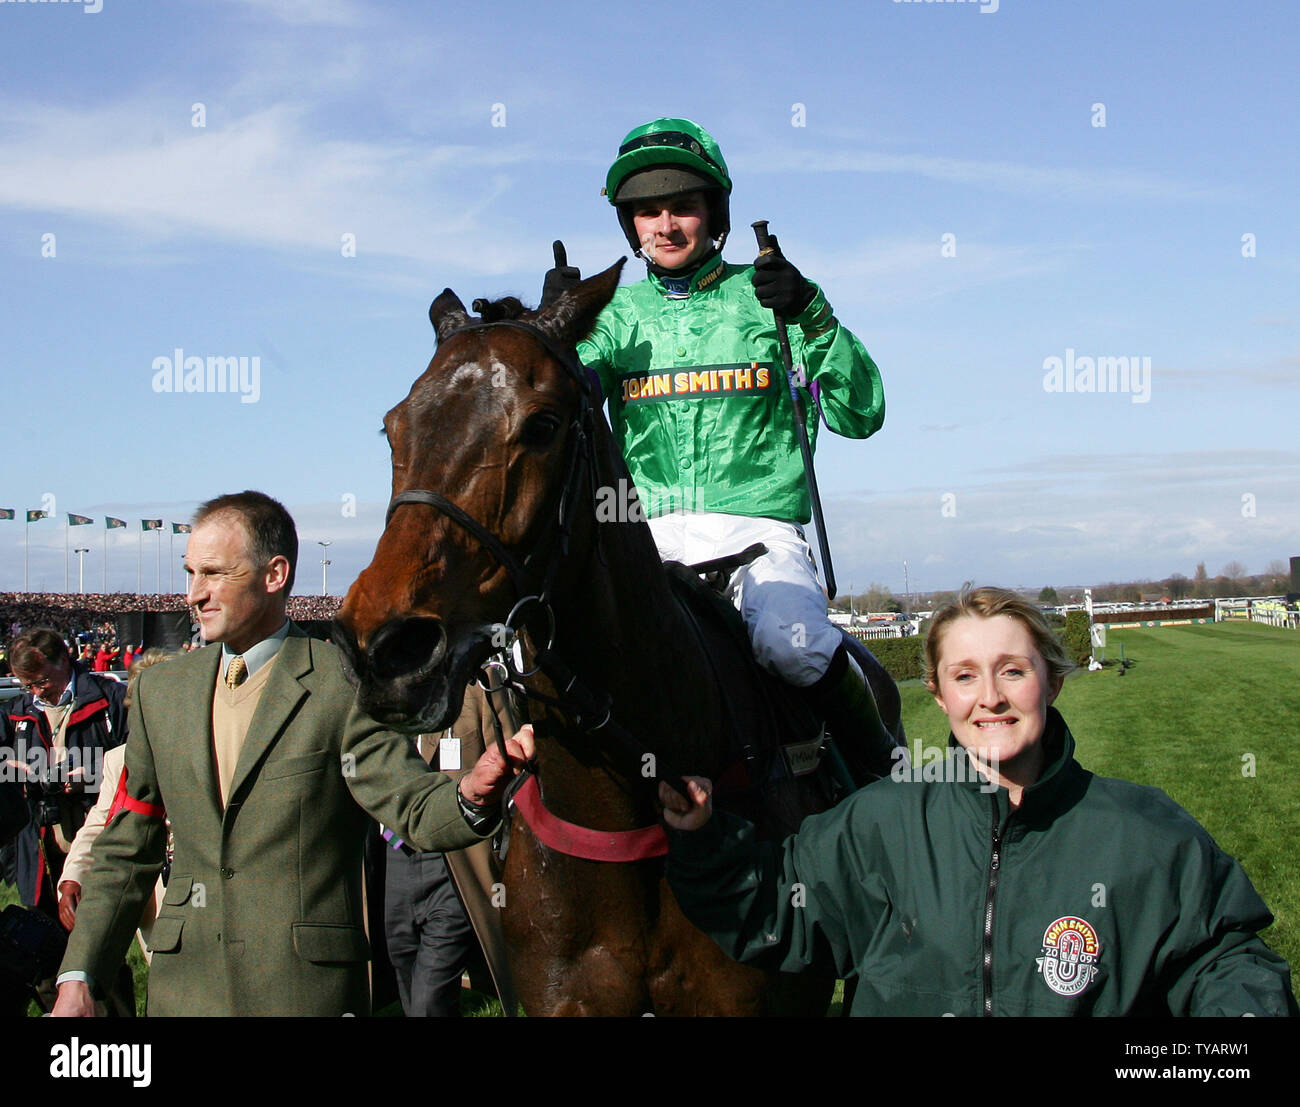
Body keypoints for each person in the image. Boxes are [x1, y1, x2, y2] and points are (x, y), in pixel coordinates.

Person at [660, 586, 1297, 1015]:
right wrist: (702, 834)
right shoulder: (879, 822)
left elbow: (1222, 960)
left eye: (1013, 671)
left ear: (1052, 682)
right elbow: (775, 911)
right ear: (939, 696)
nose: (989, 697)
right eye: (964, 676)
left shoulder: (1143, 833)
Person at [52, 490, 534, 1017]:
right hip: (182, 992)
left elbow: (410, 803)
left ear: (274, 574)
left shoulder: (340, 683)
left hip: (304, 992)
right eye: (190, 572)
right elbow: (128, 845)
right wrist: (80, 973)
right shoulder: (157, 693)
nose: (194, 594)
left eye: (213, 573)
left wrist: (468, 794)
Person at [569, 117, 892, 777]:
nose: (665, 224)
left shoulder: (771, 299)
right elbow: (558, 405)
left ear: (713, 215)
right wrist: (548, 338)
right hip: (640, 538)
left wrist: (814, 314)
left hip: (758, 534)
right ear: (630, 226)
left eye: (682, 207)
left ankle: (885, 781)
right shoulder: (614, 316)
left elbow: (863, 413)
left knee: (790, 646)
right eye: (647, 211)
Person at [0, 627, 129, 1014]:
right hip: (39, 848)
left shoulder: (109, 700)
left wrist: (87, 774)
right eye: (26, 684)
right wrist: (21, 771)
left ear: (64, 661)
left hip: (98, 845)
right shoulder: (16, 712)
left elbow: (134, 762)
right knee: (42, 948)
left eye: (40, 681)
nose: (35, 692)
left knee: (103, 946)